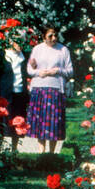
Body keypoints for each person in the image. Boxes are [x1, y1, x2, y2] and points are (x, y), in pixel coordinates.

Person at [26, 24, 74, 155]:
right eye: (50, 36)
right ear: (43, 37)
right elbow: (30, 69)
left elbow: (70, 71)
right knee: (40, 122)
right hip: (39, 88)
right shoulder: (37, 49)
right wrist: (38, 73)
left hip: (55, 89)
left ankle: (52, 154)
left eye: (55, 35)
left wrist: (58, 70)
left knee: (54, 122)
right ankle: (41, 153)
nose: (53, 38)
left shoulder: (63, 50)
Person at [0, 32, 28, 150]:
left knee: (18, 121)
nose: (20, 45)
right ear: (11, 42)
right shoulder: (3, 55)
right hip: (5, 93)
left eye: (22, 42)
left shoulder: (24, 56)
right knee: (3, 121)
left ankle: (14, 149)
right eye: (18, 41)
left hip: (20, 93)